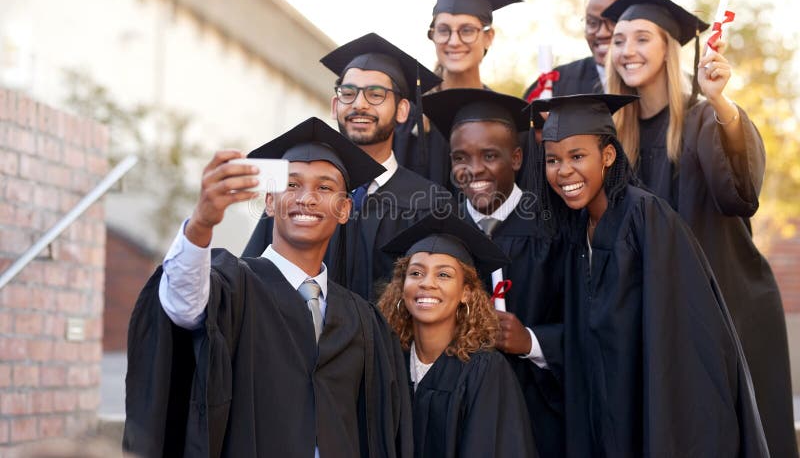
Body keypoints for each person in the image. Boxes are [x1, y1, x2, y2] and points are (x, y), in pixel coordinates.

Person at [124, 117, 413, 458]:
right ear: (270, 202)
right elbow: (182, 305)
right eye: (292, 185)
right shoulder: (233, 285)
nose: (306, 198)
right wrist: (202, 223)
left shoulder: (361, 318)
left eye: (324, 188)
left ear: (344, 209)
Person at [603, 0, 797, 458]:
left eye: (642, 37)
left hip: (721, 314)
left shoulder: (703, 120)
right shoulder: (613, 139)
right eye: (620, 39)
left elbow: (742, 192)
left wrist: (722, 103)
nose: (628, 50)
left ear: (669, 49)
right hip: (648, 317)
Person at [530, 93, 768, 457]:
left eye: (577, 156)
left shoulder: (646, 217)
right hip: (607, 417)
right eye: (552, 160)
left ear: (607, 156)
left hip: (653, 413)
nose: (563, 171)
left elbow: (686, 336)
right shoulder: (578, 230)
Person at [242, 33, 450, 302]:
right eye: (348, 93)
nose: (359, 104)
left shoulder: (430, 203)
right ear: (335, 105)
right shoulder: (295, 192)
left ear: (402, 110)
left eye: (376, 95)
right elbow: (252, 276)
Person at [423, 88, 564, 457]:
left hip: (538, 413)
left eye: (490, 155)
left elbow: (590, 327)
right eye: (461, 158)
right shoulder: (439, 230)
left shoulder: (554, 230)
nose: (474, 170)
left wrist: (532, 341)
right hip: (457, 416)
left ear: (516, 158)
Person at [377, 212, 538, 458]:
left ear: (466, 292)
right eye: (416, 273)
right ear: (402, 286)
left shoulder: (484, 370)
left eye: (444, 275)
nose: (426, 283)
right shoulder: (388, 362)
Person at [394, 0, 522, 186]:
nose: (454, 42)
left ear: (488, 37)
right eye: (444, 30)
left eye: (467, 30)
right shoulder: (409, 116)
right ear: (433, 36)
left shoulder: (505, 117)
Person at [523, 0, 668, 100]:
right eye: (592, 22)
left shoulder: (666, 91)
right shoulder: (556, 84)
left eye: (612, 21)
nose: (601, 33)